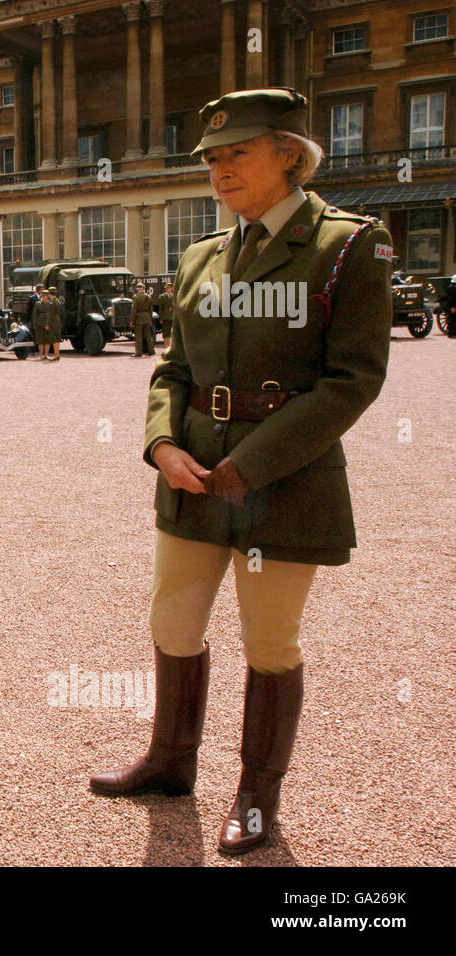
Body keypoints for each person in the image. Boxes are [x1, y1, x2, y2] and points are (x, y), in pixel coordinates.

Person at [89, 88, 393, 856]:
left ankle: (258, 797)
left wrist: (248, 466)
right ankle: (169, 761)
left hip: (284, 477)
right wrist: (161, 446)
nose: (220, 170)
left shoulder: (350, 246)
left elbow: (352, 379)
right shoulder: (200, 256)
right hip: (190, 473)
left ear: (289, 154)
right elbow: (173, 368)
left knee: (270, 642)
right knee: (173, 623)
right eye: (213, 158)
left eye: (238, 153)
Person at [131, 281, 156, 357]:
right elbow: (151, 309)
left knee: (138, 336)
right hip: (147, 317)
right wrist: (150, 319)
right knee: (148, 335)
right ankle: (151, 351)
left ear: (138, 289)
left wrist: (132, 320)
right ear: (144, 288)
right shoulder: (148, 297)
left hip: (139, 317)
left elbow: (134, 310)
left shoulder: (136, 297)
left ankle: (139, 352)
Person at [156, 280, 175, 351]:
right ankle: (166, 345)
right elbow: (161, 308)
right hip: (165, 316)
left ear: (171, 288)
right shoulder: (162, 296)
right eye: (167, 288)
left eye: (169, 288)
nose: (168, 289)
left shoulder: (173, 296)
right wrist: (161, 318)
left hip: (172, 316)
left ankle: (170, 345)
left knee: (171, 332)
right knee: (165, 331)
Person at [443, 274, 456, 338]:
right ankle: (451, 333)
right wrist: (453, 306)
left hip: (452, 306)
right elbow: (451, 299)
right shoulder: (451, 289)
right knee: (452, 320)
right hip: (452, 306)